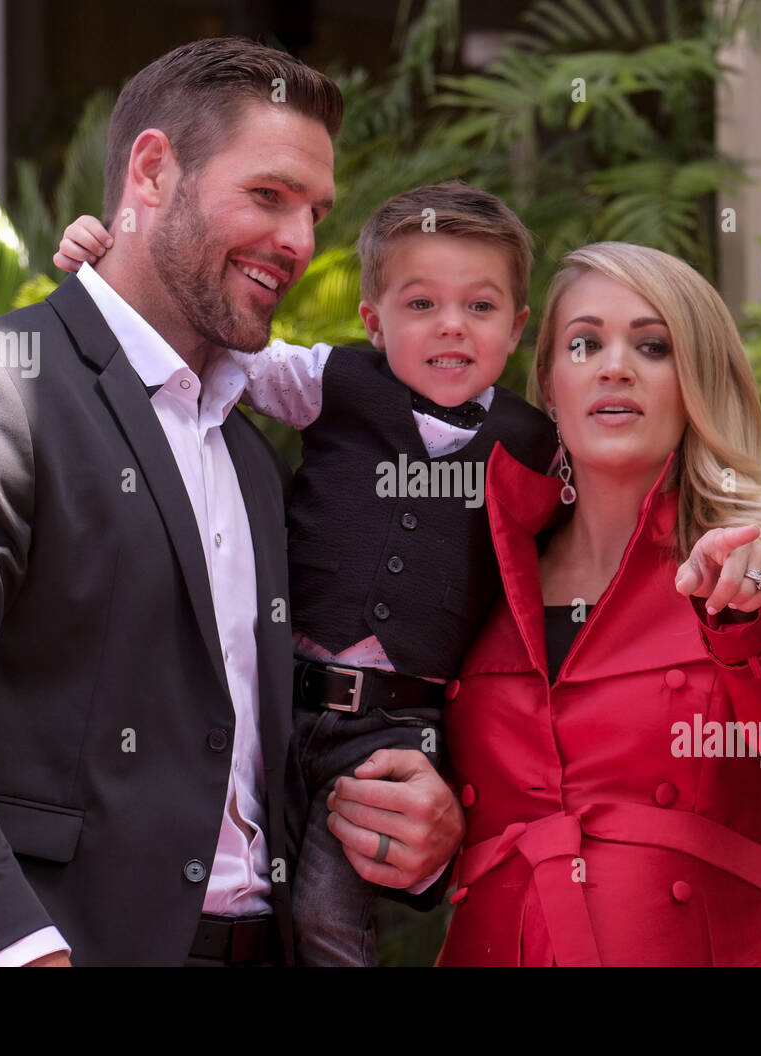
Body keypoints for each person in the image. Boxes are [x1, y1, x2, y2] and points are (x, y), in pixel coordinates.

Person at [0, 36, 461, 968]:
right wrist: (16, 951)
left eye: (316, 212)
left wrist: (416, 825)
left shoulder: (254, 459)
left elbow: (254, 748)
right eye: (268, 195)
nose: (299, 241)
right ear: (153, 171)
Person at [56, 180, 557, 965]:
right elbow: (198, 343)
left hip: (396, 732)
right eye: (420, 304)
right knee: (239, 882)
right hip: (276, 708)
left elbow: (613, 523)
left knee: (326, 912)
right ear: (373, 320)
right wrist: (107, 264)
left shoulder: (533, 445)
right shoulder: (333, 382)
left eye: (481, 308)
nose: (452, 326)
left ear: (518, 326)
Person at [432, 242, 761, 966]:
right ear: (551, 385)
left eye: (652, 346)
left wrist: (749, 616)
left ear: (697, 383)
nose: (614, 365)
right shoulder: (474, 573)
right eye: (585, 343)